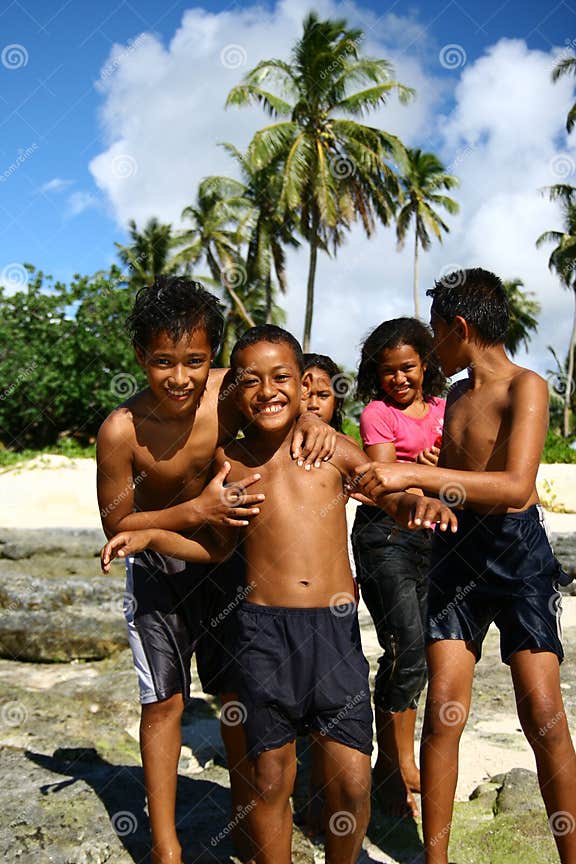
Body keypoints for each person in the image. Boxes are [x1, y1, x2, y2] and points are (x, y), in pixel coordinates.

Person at [101, 324, 458, 864]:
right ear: (235, 389)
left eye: (282, 378)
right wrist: (151, 535)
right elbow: (217, 548)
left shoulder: (328, 446)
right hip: (262, 634)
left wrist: (416, 503)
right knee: (271, 779)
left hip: (333, 631)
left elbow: (382, 490)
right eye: (252, 381)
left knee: (352, 780)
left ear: (302, 383)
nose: (267, 390)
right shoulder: (232, 462)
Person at [96, 281, 337, 864]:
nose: (180, 377)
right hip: (157, 570)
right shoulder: (121, 431)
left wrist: (315, 423)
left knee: (237, 697)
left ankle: (248, 824)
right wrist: (194, 511)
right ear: (139, 357)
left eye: (195, 362)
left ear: (212, 360)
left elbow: (282, 394)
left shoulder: (229, 393)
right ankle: (166, 846)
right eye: (163, 362)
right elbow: (118, 526)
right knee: (164, 702)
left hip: (228, 561)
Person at [352, 269, 576, 864]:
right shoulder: (453, 396)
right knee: (444, 713)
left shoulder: (526, 386)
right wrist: (423, 485)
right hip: (457, 557)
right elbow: (459, 485)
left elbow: (515, 486)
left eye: (435, 335)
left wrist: (411, 472)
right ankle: (436, 858)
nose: (431, 350)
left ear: (460, 327)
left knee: (543, 713)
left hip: (518, 556)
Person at [351, 318, 446, 818]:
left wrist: (435, 474)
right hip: (385, 538)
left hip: (436, 541)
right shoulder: (377, 414)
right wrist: (427, 471)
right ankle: (394, 766)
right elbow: (385, 485)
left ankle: (395, 767)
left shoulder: (446, 408)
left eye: (407, 367)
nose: (399, 378)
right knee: (404, 650)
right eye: (387, 371)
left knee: (421, 655)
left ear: (425, 364)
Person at [300, 353, 345, 431]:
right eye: (306, 395)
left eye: (323, 396)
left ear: (336, 401)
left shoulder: (343, 440)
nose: (313, 404)